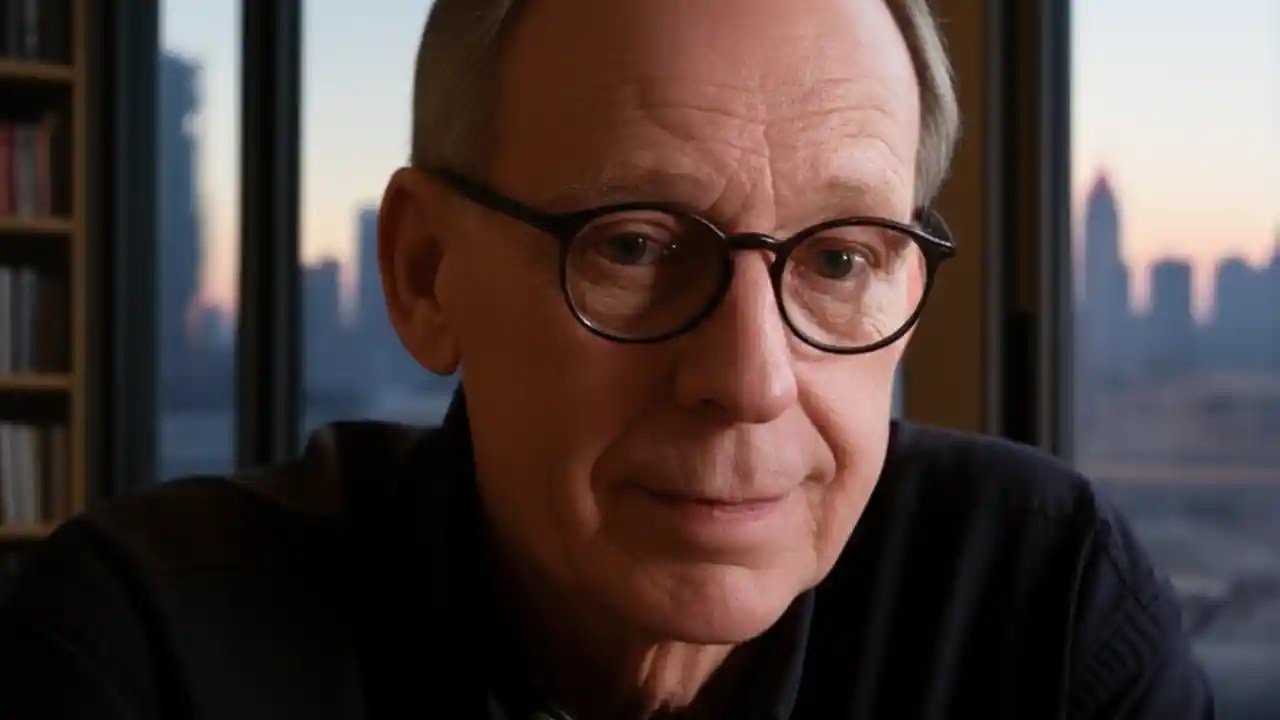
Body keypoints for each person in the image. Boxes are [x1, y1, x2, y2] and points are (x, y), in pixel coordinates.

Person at [0, 0, 1214, 717]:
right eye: (633, 245)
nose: (750, 381)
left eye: (839, 259)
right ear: (426, 276)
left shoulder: (1043, 610)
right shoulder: (146, 655)